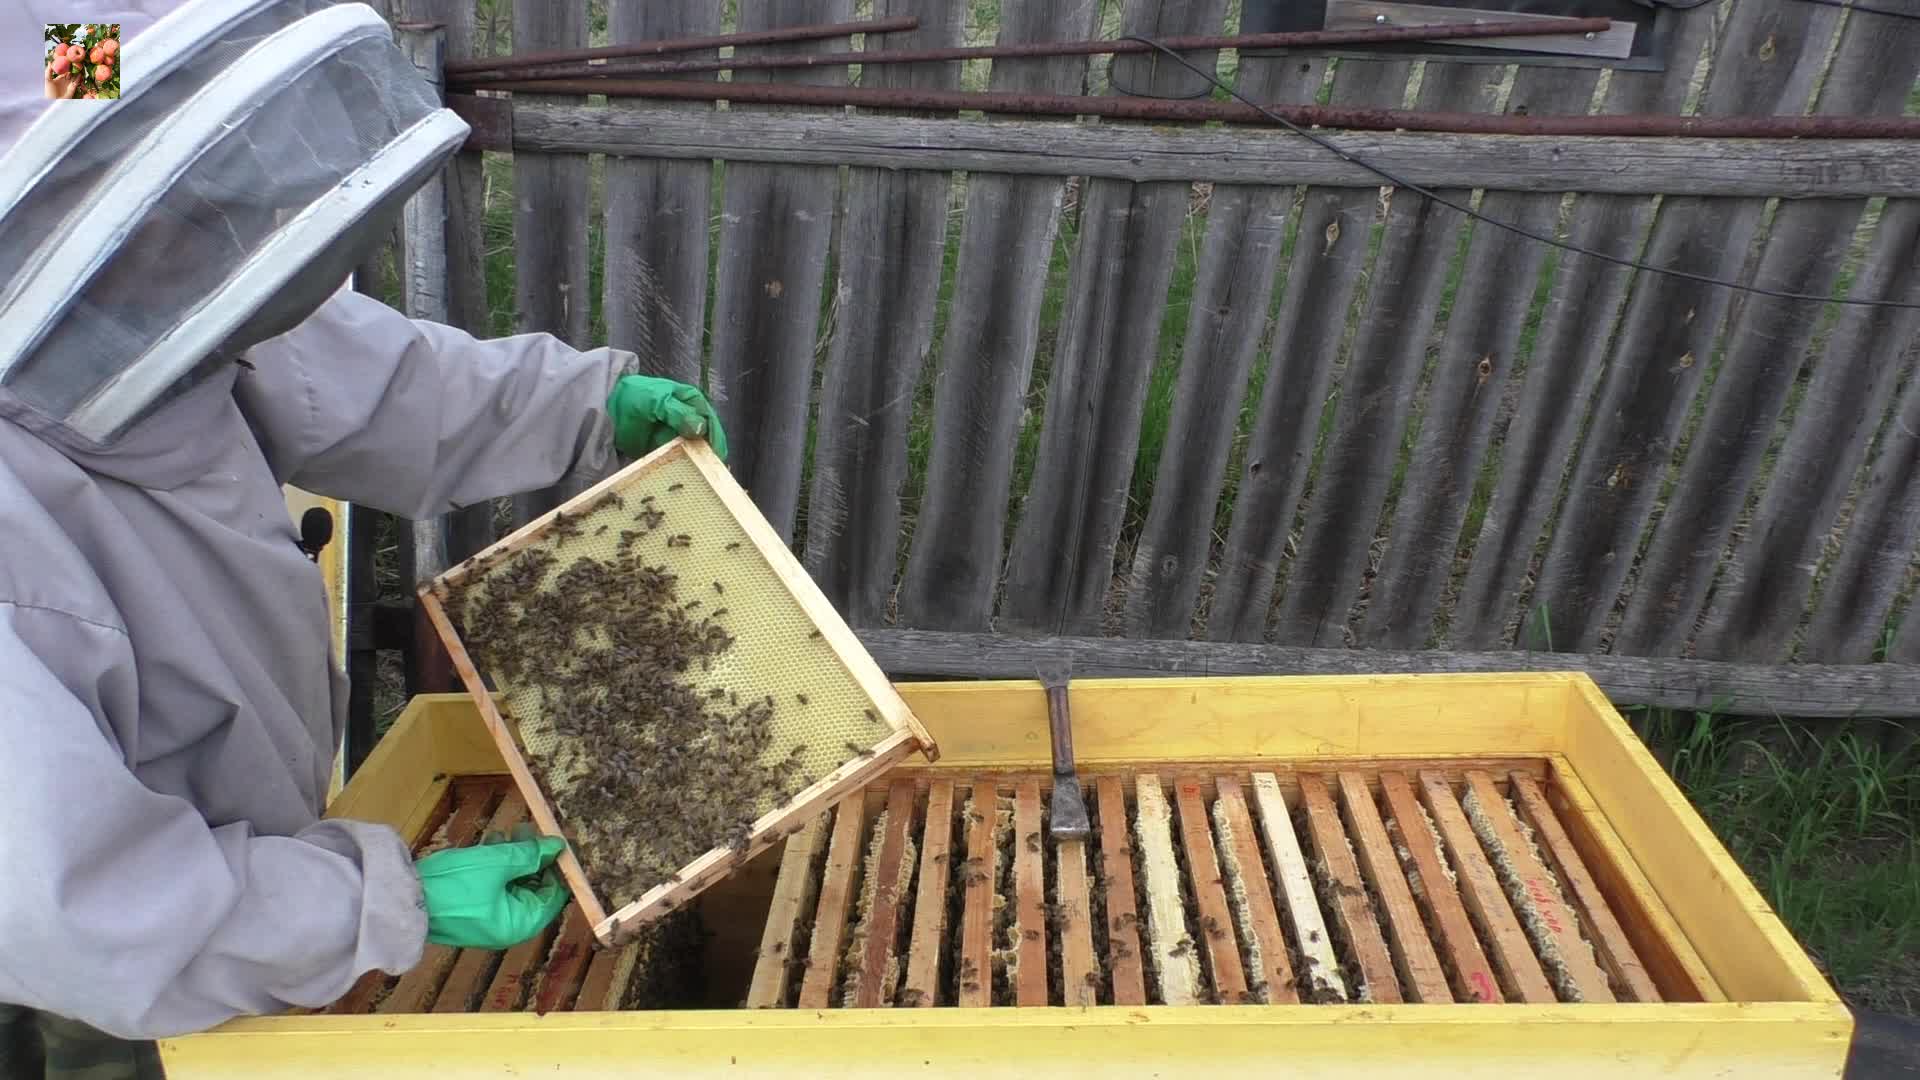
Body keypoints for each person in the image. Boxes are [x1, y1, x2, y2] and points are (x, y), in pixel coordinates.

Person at [0, 2, 727, 1076]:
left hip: (249, 892)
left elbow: (332, 360)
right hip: (111, 994)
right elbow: (73, 915)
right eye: (157, 226)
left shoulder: (65, 60)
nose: (194, 250)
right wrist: (376, 903)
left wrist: (581, 405)